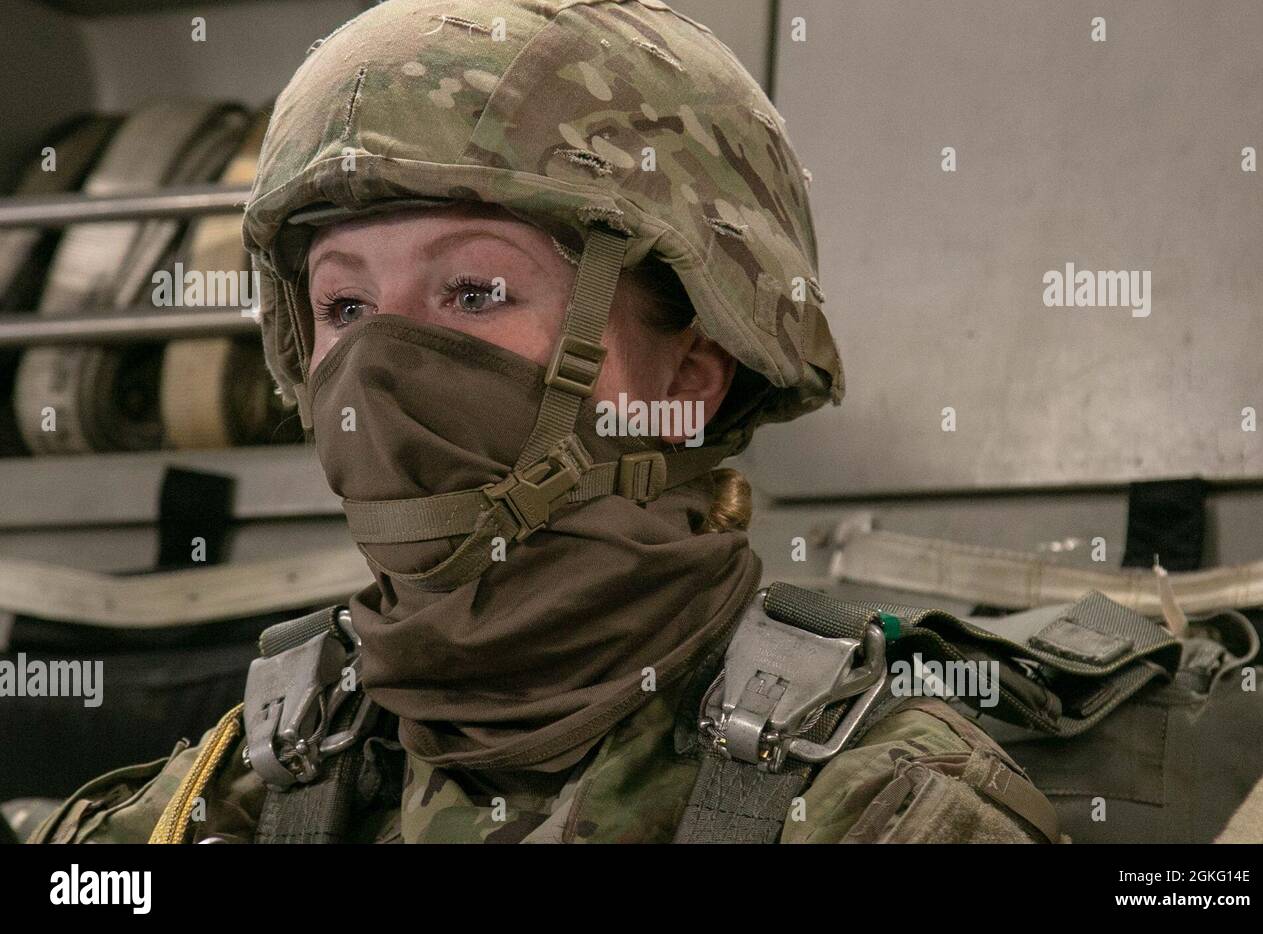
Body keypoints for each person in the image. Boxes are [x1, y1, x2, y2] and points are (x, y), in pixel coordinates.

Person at [29, 0, 1058, 844]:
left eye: (474, 291)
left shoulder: (880, 814)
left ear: (689, 374)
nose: (382, 367)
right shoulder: (255, 782)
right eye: (345, 306)